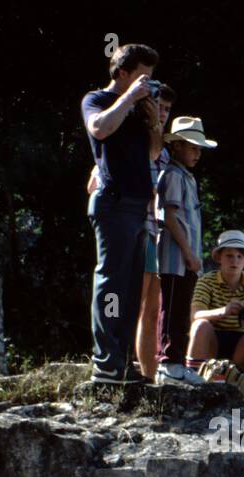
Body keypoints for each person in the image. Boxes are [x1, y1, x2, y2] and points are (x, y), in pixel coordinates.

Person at [81, 43, 165, 386]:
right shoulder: (97, 100)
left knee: (131, 288)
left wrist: (154, 120)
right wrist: (129, 98)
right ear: (122, 73)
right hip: (112, 204)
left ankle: (123, 362)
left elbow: (154, 152)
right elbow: (99, 129)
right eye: (142, 77)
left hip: (138, 205)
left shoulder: (137, 108)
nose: (147, 84)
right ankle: (106, 362)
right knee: (111, 283)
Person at [91, 85, 178, 381]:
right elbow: (94, 182)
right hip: (132, 224)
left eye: (167, 109)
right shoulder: (126, 143)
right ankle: (117, 361)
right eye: (159, 106)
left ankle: (146, 374)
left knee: (151, 307)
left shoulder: (160, 150)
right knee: (131, 298)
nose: (162, 113)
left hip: (151, 232)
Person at [154, 117, 217, 386]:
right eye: (192, 147)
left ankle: (178, 362)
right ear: (177, 146)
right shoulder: (172, 175)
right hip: (173, 257)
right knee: (170, 309)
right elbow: (169, 216)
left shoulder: (186, 177)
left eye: (199, 148)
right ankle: (167, 362)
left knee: (181, 311)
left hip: (186, 259)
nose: (197, 153)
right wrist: (189, 253)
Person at [186, 230, 244, 402]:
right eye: (229, 256)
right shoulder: (206, 280)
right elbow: (195, 315)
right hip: (212, 340)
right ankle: (193, 384)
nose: (234, 261)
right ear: (220, 258)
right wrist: (223, 311)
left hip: (242, 342)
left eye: (239, 256)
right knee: (200, 325)